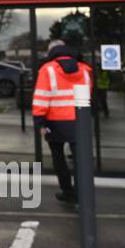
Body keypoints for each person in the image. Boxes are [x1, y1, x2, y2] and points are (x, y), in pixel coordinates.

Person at [32, 39, 94, 205]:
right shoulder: (84, 69)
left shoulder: (47, 70)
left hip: (54, 121)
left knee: (58, 157)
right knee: (80, 158)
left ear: (51, 52)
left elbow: (41, 97)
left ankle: (67, 191)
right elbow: (88, 94)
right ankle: (82, 191)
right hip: (78, 121)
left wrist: (39, 121)